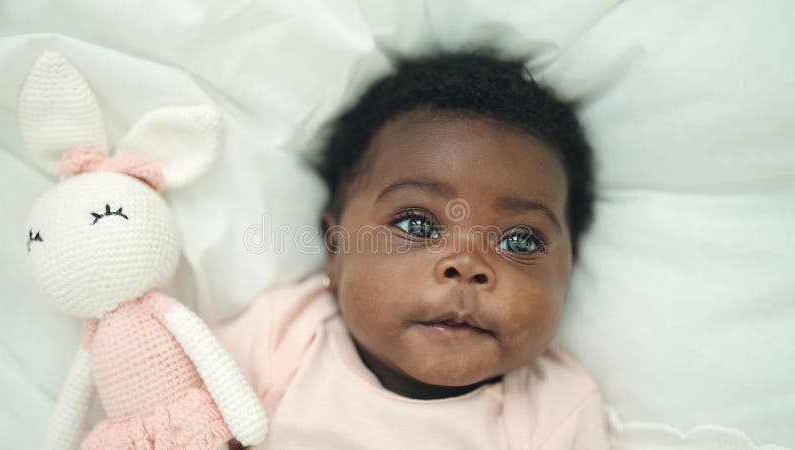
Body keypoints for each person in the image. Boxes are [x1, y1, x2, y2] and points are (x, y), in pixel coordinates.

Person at [218, 49, 609, 449]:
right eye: (418, 225)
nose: (467, 266)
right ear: (335, 251)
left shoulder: (556, 410)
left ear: (569, 273)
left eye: (520, 241)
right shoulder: (282, 340)